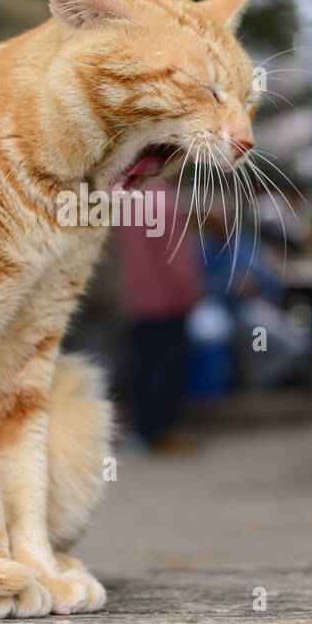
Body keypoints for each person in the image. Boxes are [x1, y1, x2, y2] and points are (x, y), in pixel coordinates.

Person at [116, 185, 202, 452]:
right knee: (166, 369)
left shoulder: (132, 201)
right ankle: (161, 430)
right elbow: (177, 259)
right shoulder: (163, 203)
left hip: (140, 302)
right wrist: (189, 293)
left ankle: (145, 431)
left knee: (147, 368)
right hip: (168, 302)